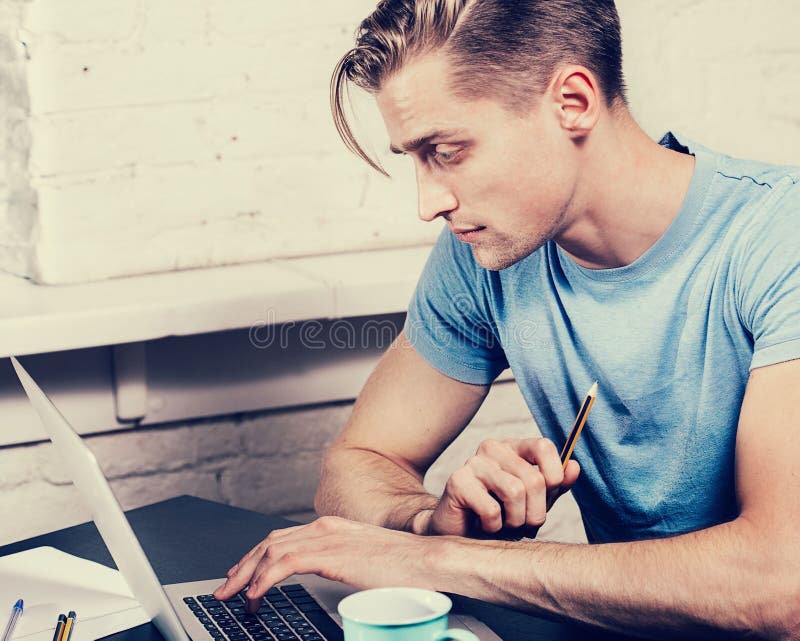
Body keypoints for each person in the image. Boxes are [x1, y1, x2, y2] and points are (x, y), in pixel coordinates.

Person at [215, 1, 800, 637]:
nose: (428, 202)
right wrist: (425, 522)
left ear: (572, 102)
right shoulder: (487, 250)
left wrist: (438, 559)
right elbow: (360, 460)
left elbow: (777, 584)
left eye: (447, 150)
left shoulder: (778, 239)